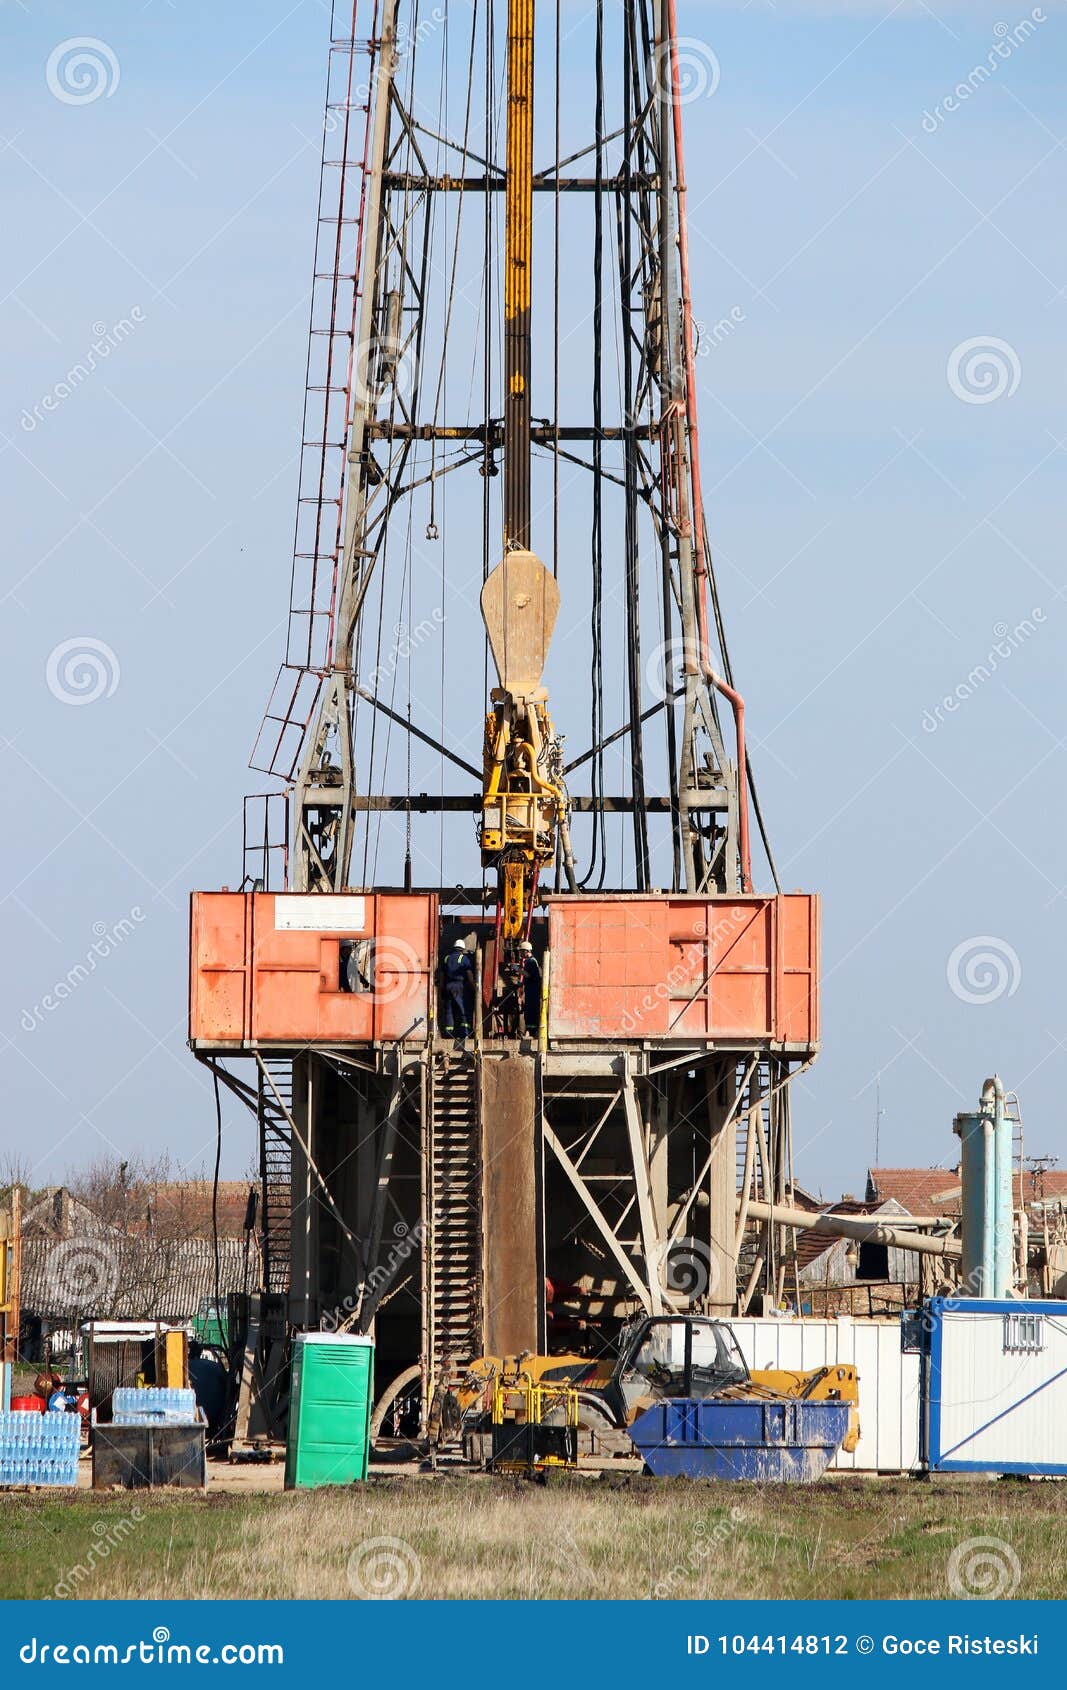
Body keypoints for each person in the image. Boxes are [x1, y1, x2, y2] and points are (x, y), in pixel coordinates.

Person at [441, 938, 475, 1044]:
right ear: (463, 949)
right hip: (460, 987)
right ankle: (464, 1033)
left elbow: (442, 975)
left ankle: (449, 1033)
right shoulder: (464, 958)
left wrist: (442, 988)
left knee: (449, 1010)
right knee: (463, 1009)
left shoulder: (446, 958)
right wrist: (474, 987)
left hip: (448, 986)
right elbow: (469, 975)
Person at [520, 939, 542, 1036]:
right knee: (531, 1010)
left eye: (521, 951)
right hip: (532, 990)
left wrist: (517, 969)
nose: (520, 953)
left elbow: (528, 975)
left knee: (531, 1010)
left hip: (532, 991)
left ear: (526, 951)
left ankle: (532, 1031)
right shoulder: (532, 961)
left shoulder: (530, 962)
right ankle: (531, 1030)